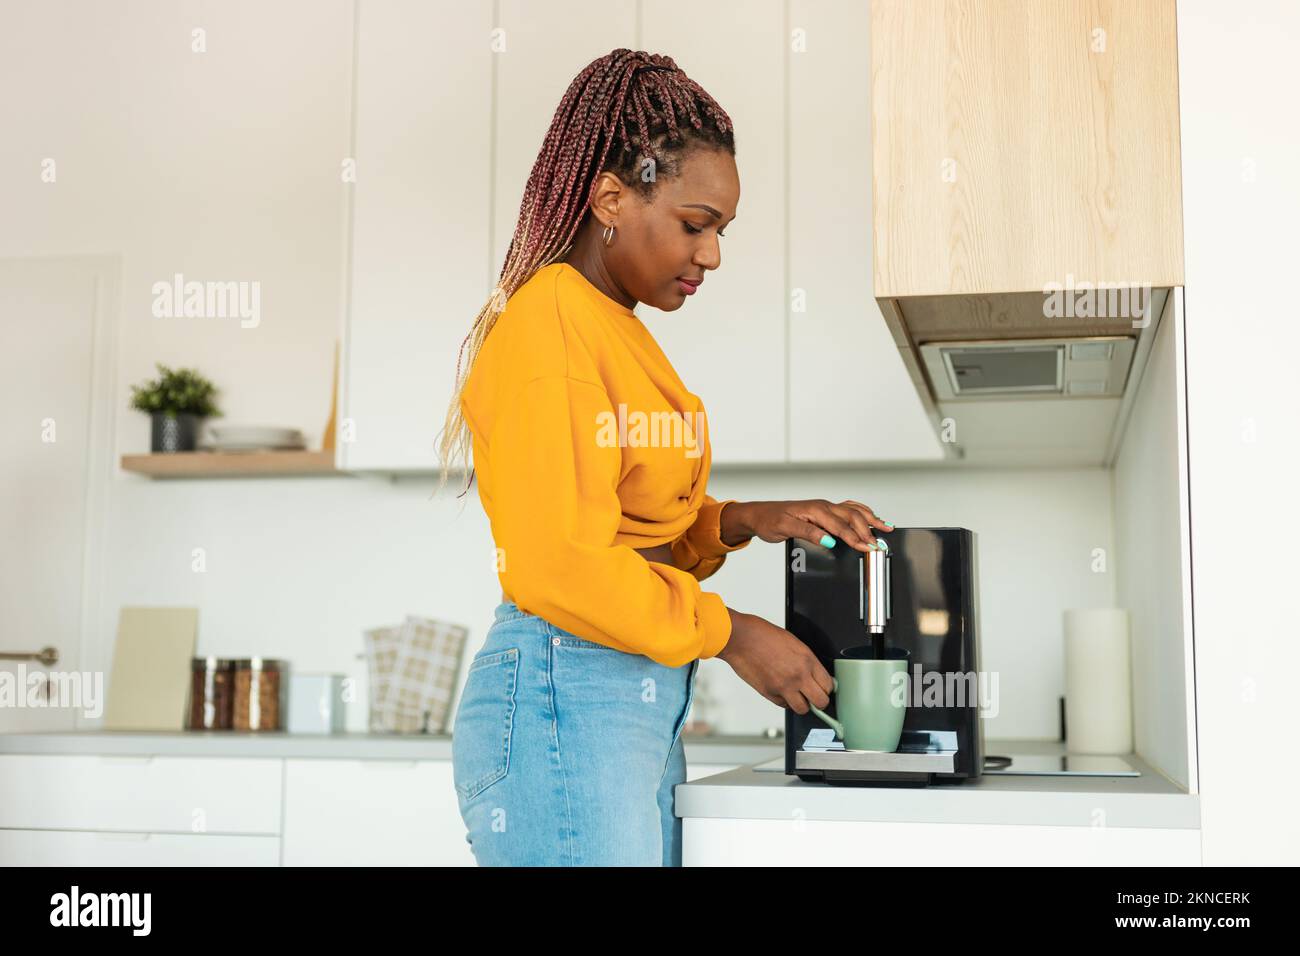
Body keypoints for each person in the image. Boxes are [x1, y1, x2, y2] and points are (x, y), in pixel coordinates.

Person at [435, 48, 892, 866]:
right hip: (562, 691)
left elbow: (630, 535)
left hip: (618, 694)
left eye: (720, 230)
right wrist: (733, 633)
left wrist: (745, 519)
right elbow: (560, 563)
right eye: (695, 223)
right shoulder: (551, 327)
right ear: (611, 197)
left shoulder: (615, 328)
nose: (711, 255)